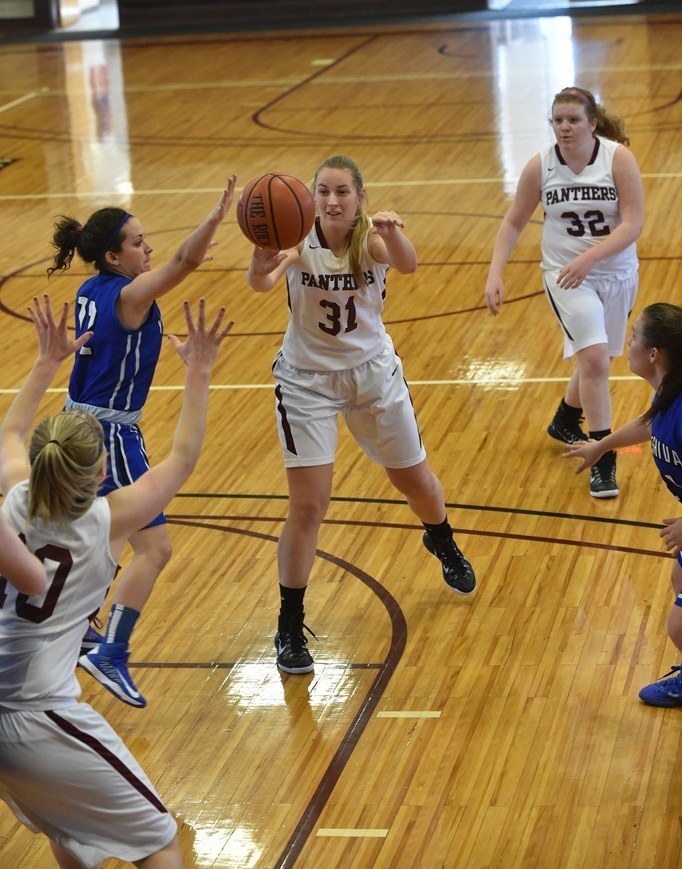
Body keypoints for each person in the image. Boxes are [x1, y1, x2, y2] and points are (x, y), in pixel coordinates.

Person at [0, 294, 231, 869]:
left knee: (72, 832)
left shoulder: (12, 497)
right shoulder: (105, 520)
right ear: (101, 474)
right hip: (34, 713)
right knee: (160, 840)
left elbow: (11, 430)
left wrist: (46, 363)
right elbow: (183, 457)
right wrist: (199, 371)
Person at [247, 154, 476, 675]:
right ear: (309, 196)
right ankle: (289, 623)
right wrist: (262, 264)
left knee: (414, 481)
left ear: (360, 198)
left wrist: (395, 234)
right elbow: (261, 282)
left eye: (342, 192)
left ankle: (441, 538)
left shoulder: (370, 238)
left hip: (373, 376)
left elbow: (409, 262)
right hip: (306, 382)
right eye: (323, 191)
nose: (332, 200)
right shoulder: (296, 237)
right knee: (308, 506)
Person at [47, 179, 235, 707]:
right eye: (137, 242)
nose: (147, 247)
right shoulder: (130, 296)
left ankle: (78, 622)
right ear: (112, 256)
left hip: (73, 423)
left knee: (103, 537)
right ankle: (110, 651)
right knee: (153, 548)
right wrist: (215, 219)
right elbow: (182, 262)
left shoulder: (91, 290)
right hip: (110, 433)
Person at [485, 86, 644, 499]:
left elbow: (633, 225)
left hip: (616, 272)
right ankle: (601, 459)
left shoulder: (618, 159)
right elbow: (513, 223)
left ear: (593, 123)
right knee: (593, 360)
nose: (565, 128)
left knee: (598, 358)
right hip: (566, 276)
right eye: (558, 121)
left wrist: (591, 257)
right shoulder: (541, 167)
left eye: (573, 120)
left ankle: (565, 417)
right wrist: (494, 274)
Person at [566, 303, 682, 707]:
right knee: (679, 581)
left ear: (655, 354)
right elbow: (649, 421)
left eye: (634, 336)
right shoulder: (670, 392)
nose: (627, 342)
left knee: (679, 627)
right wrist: (601, 445)